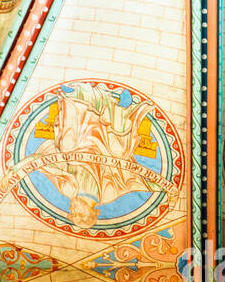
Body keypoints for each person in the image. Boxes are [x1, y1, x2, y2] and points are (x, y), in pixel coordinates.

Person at [21, 83, 159, 229]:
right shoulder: (107, 196)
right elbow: (131, 183)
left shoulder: (68, 191)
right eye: (78, 214)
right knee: (119, 151)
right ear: (91, 212)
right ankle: (121, 109)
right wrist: (159, 186)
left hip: (78, 148)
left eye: (72, 213)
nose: (72, 210)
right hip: (104, 151)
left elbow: (49, 168)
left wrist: (29, 163)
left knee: (67, 142)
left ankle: (75, 96)